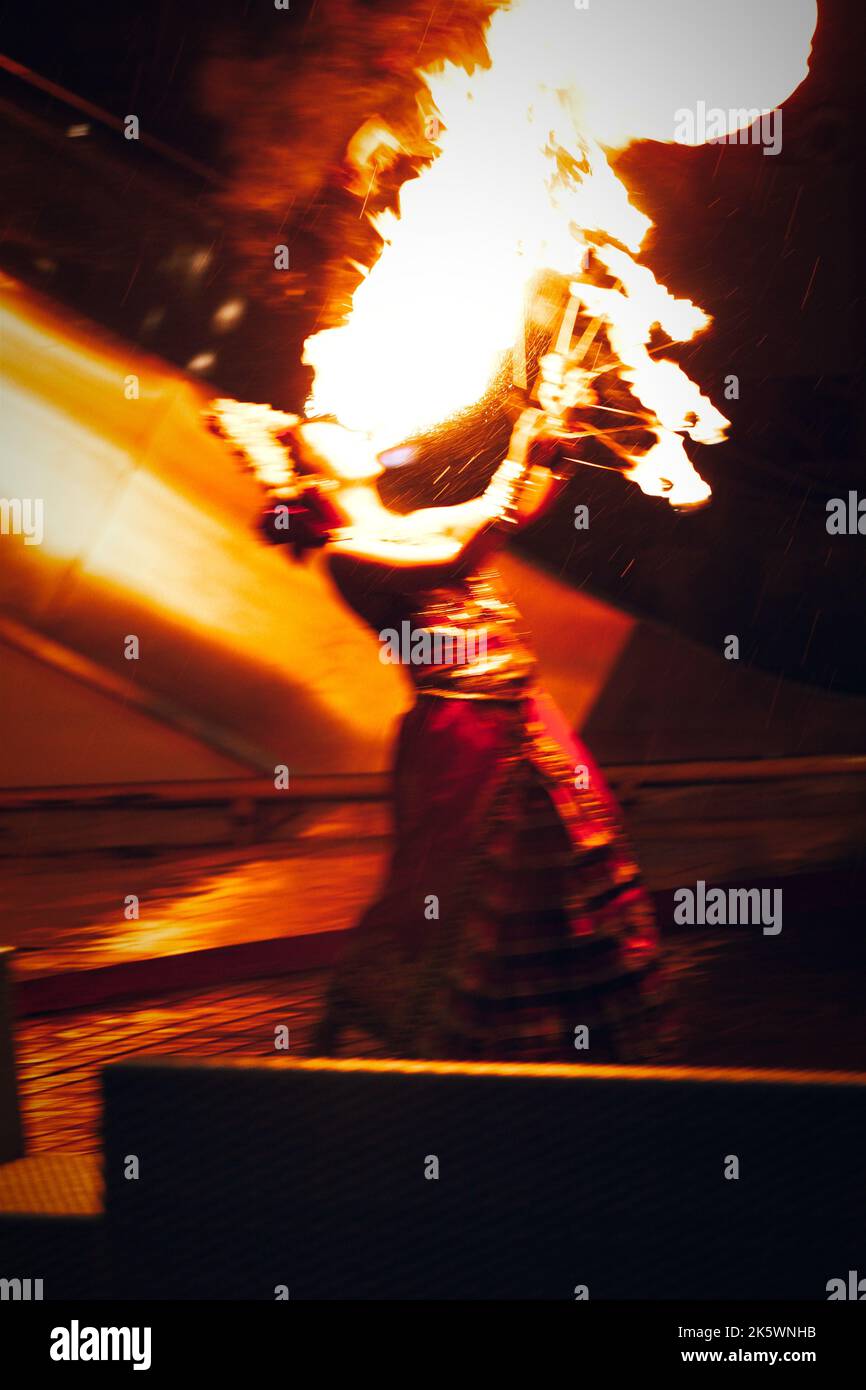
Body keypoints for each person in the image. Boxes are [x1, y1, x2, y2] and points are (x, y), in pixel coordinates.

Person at [215, 401, 664, 1061]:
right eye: (330, 434)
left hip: (526, 719)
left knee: (566, 869)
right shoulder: (348, 555)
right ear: (315, 477)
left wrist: (543, 438)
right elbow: (464, 552)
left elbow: (513, 502)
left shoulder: (415, 523)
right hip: (464, 734)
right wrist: (522, 460)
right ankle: (434, 1040)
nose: (353, 426)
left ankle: (578, 1031)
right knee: (453, 886)